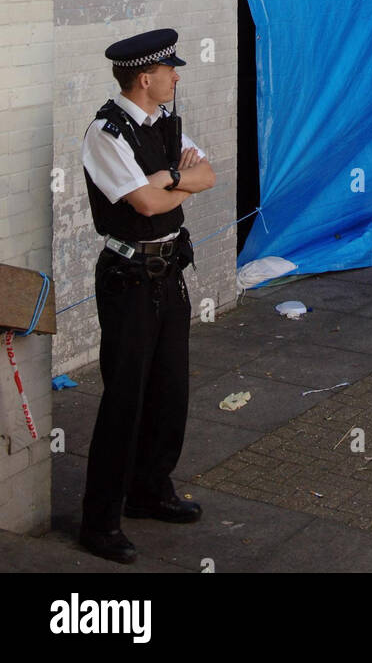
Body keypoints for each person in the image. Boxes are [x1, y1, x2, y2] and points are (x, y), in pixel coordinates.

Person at [78, 28, 216, 564]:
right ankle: (100, 521)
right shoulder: (106, 134)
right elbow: (146, 206)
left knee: (170, 391)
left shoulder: (164, 123)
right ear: (145, 78)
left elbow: (206, 175)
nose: (176, 76)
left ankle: (149, 490)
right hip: (129, 280)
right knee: (124, 401)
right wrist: (164, 187)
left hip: (168, 273)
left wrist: (169, 176)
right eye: (170, 71)